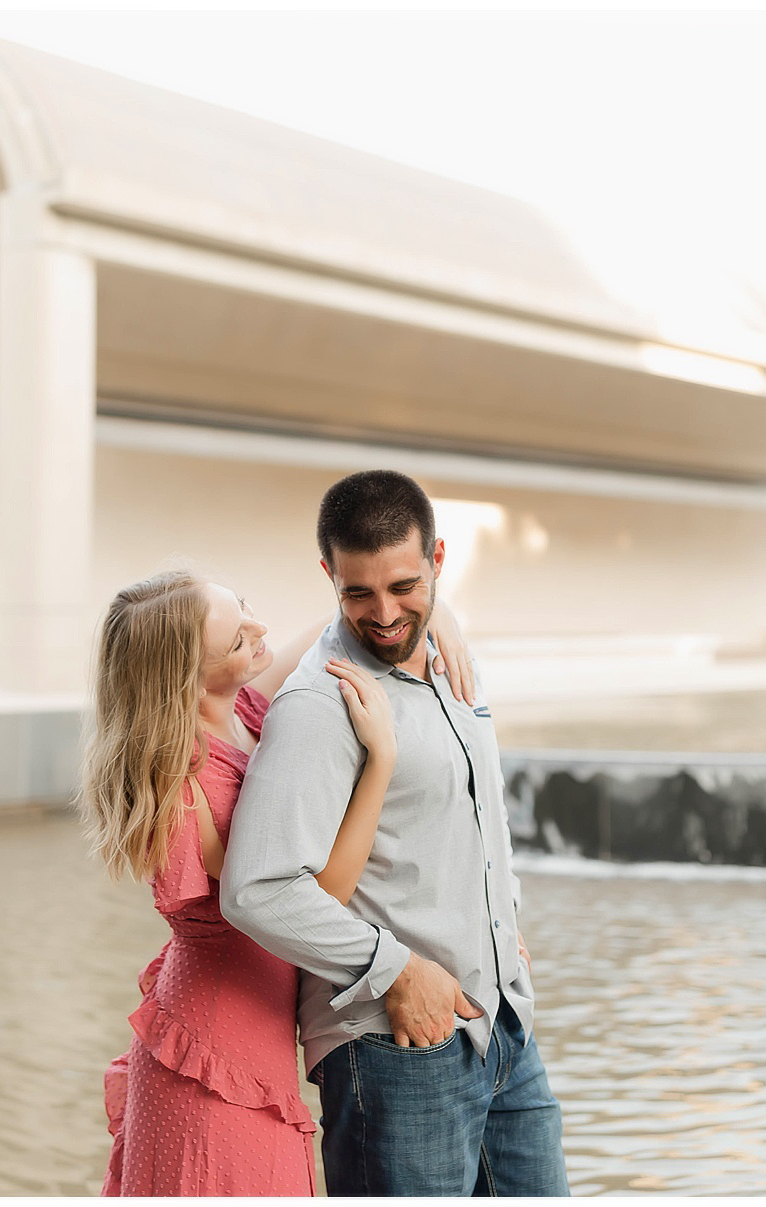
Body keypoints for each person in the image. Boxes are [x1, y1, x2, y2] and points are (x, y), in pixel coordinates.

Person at [222, 470, 569, 1196]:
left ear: (438, 559)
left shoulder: (450, 659)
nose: (384, 613)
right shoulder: (320, 705)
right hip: (395, 1046)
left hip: (503, 1020)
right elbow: (256, 889)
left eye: (404, 586)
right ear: (329, 575)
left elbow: (478, 806)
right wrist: (397, 968)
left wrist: (501, 920)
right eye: (357, 592)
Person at [76, 568, 472, 1196]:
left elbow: (332, 627)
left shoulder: (244, 703)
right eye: (237, 640)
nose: (259, 632)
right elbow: (317, 895)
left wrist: (438, 611)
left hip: (257, 1028)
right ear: (190, 678)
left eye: (248, 610)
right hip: (217, 1053)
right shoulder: (186, 789)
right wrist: (381, 761)